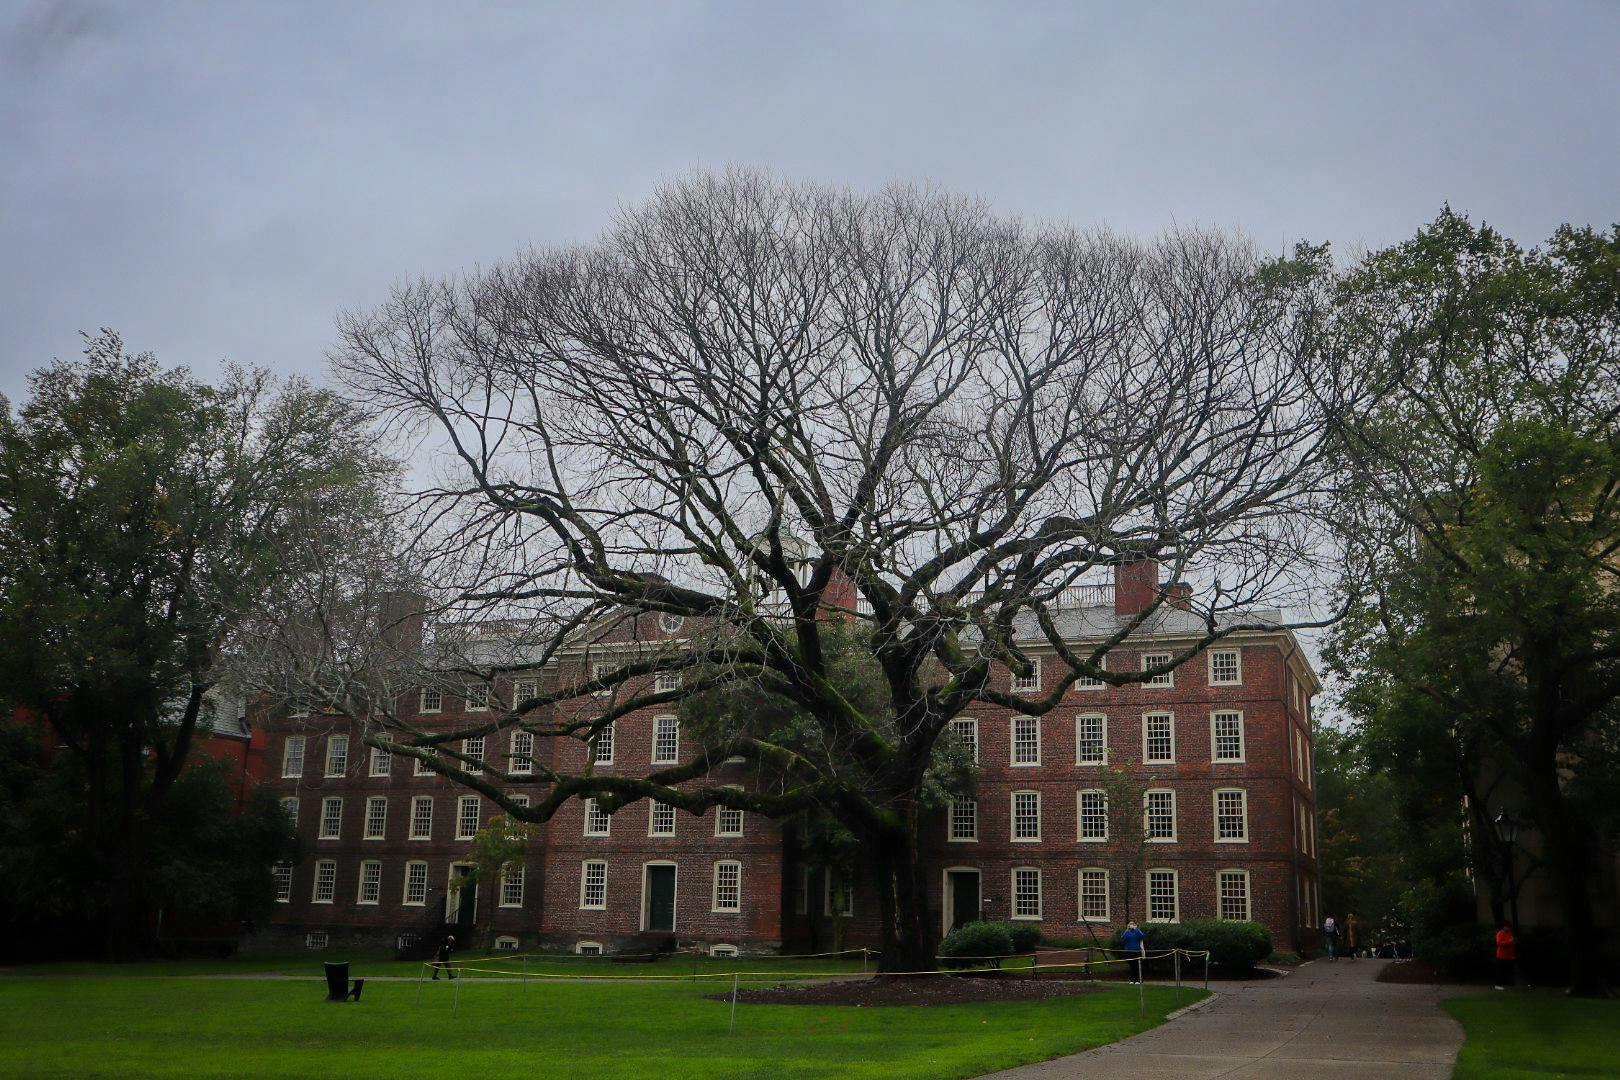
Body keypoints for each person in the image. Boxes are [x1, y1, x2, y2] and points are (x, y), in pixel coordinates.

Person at [1494, 923, 1515, 990]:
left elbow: (1511, 941)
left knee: (1508, 970)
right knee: (1500, 970)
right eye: (1508, 927)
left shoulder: (1509, 933)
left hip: (1509, 956)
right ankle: (1497, 985)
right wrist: (1509, 942)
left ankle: (1508, 983)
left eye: (1510, 927)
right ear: (1504, 927)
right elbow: (1499, 943)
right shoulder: (1500, 933)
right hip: (1501, 956)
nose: (1509, 929)